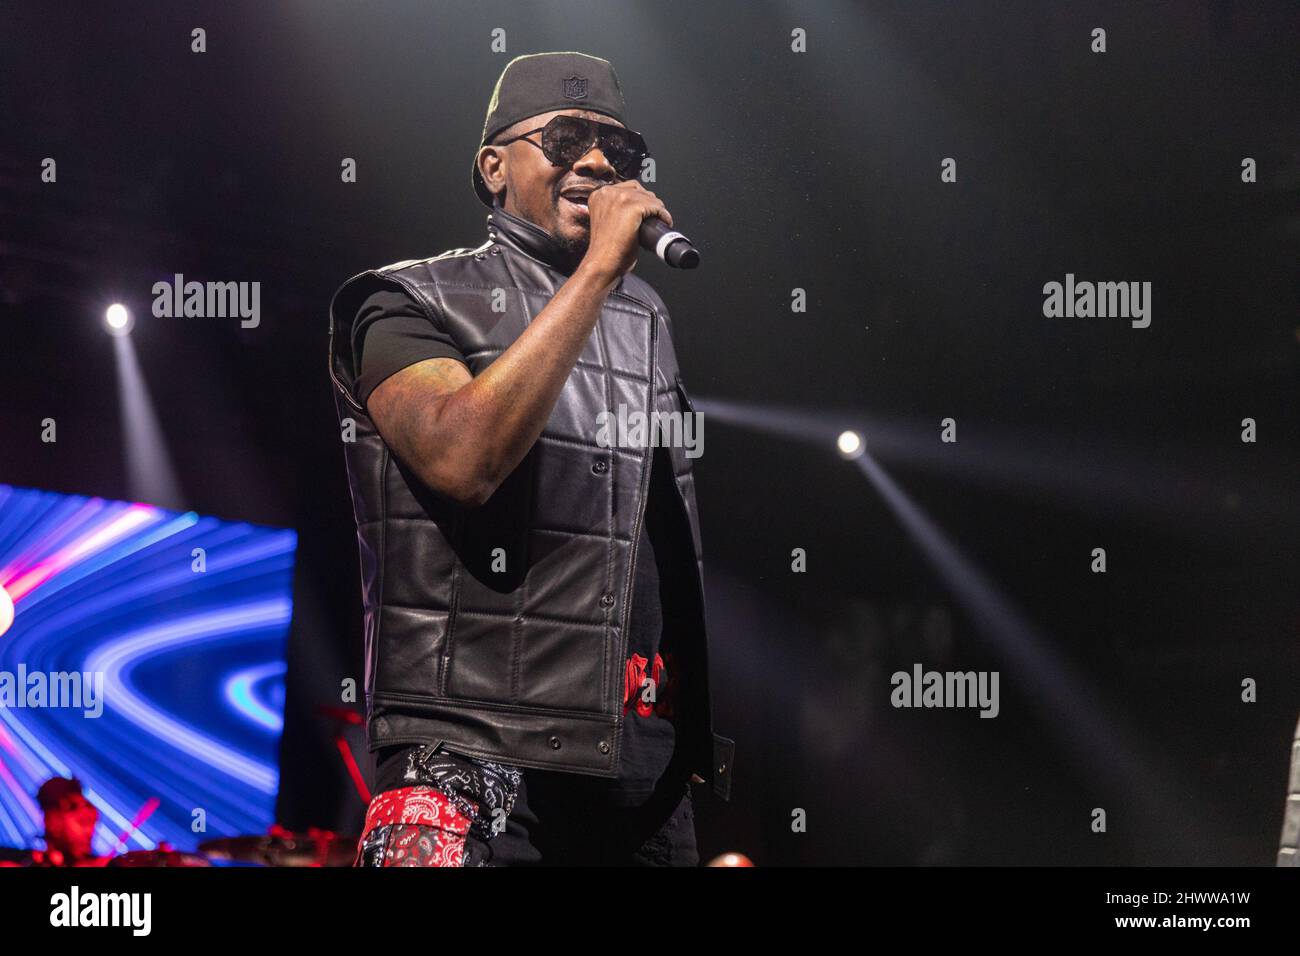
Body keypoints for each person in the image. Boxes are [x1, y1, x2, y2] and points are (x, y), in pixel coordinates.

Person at [328, 52, 733, 866]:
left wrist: (681, 724)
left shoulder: (645, 320)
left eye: (618, 152)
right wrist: (595, 278)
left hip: (633, 760)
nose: (595, 162)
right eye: (568, 139)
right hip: (471, 752)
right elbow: (460, 458)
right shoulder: (401, 301)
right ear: (494, 167)